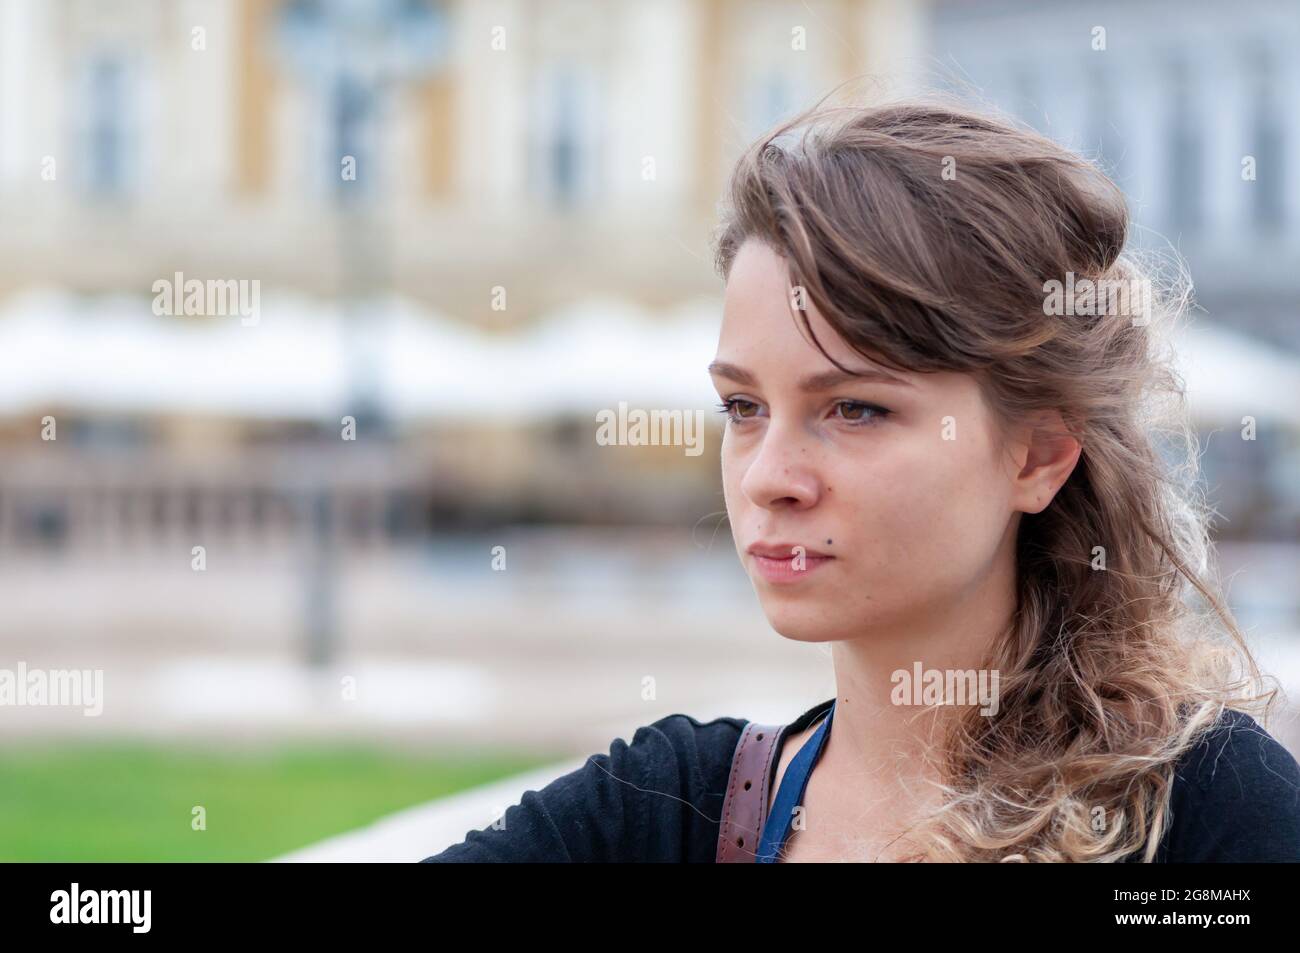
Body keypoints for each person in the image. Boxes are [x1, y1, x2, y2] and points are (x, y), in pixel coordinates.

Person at [423, 91, 1300, 863]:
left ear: (1036, 453)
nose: (770, 478)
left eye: (856, 409)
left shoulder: (1204, 816)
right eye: (742, 408)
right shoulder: (669, 808)